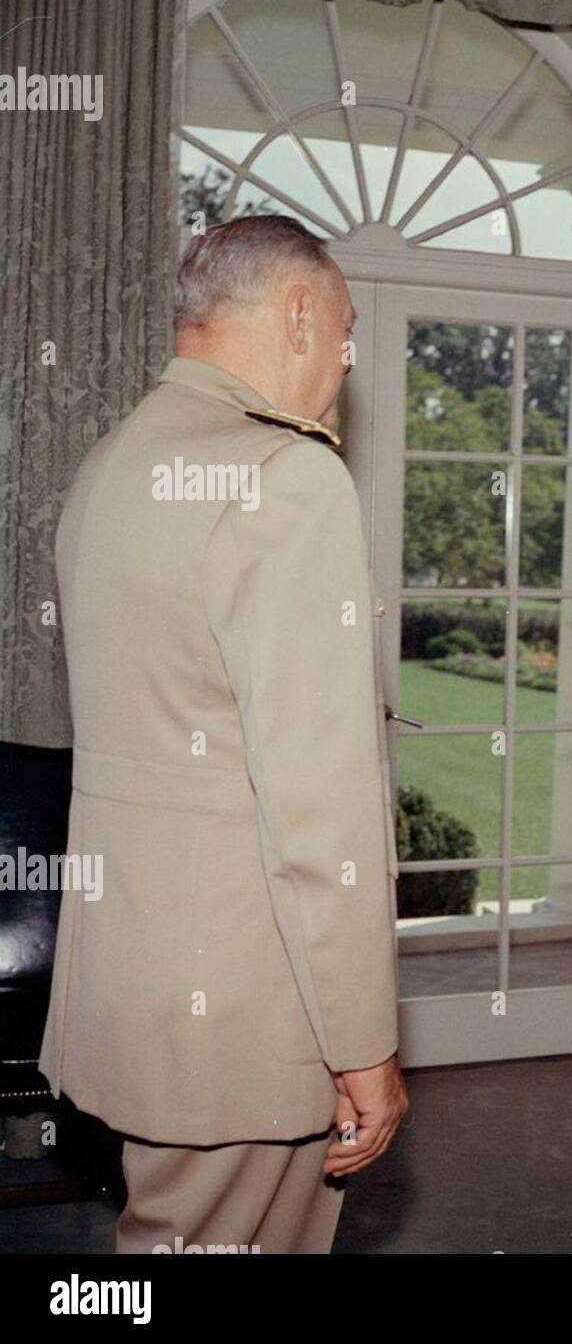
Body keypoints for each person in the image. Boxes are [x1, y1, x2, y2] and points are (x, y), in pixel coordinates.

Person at [40, 215, 407, 1253]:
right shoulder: (283, 478)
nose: (343, 361)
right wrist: (363, 1043)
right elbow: (315, 803)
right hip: (248, 997)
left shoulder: (112, 463)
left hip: (133, 977)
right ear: (296, 314)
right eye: (341, 331)